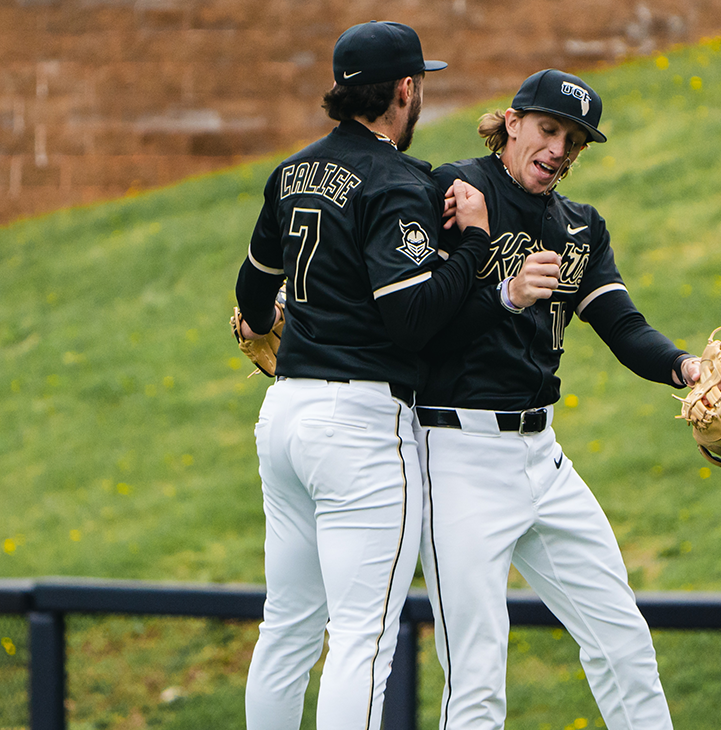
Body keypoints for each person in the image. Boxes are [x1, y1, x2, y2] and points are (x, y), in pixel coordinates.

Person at [232, 20, 495, 730]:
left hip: (285, 416)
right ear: (405, 90)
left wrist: (261, 323)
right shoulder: (397, 178)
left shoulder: (290, 172)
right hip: (360, 431)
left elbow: (253, 296)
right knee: (361, 638)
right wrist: (472, 244)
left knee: (286, 625)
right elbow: (412, 316)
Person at [417, 69, 696, 730]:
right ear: (511, 122)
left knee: (622, 640)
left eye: (576, 140)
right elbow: (412, 320)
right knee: (477, 674)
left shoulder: (578, 227)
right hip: (455, 452)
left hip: (542, 457)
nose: (561, 149)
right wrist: (506, 293)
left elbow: (623, 327)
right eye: (549, 129)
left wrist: (686, 366)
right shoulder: (450, 191)